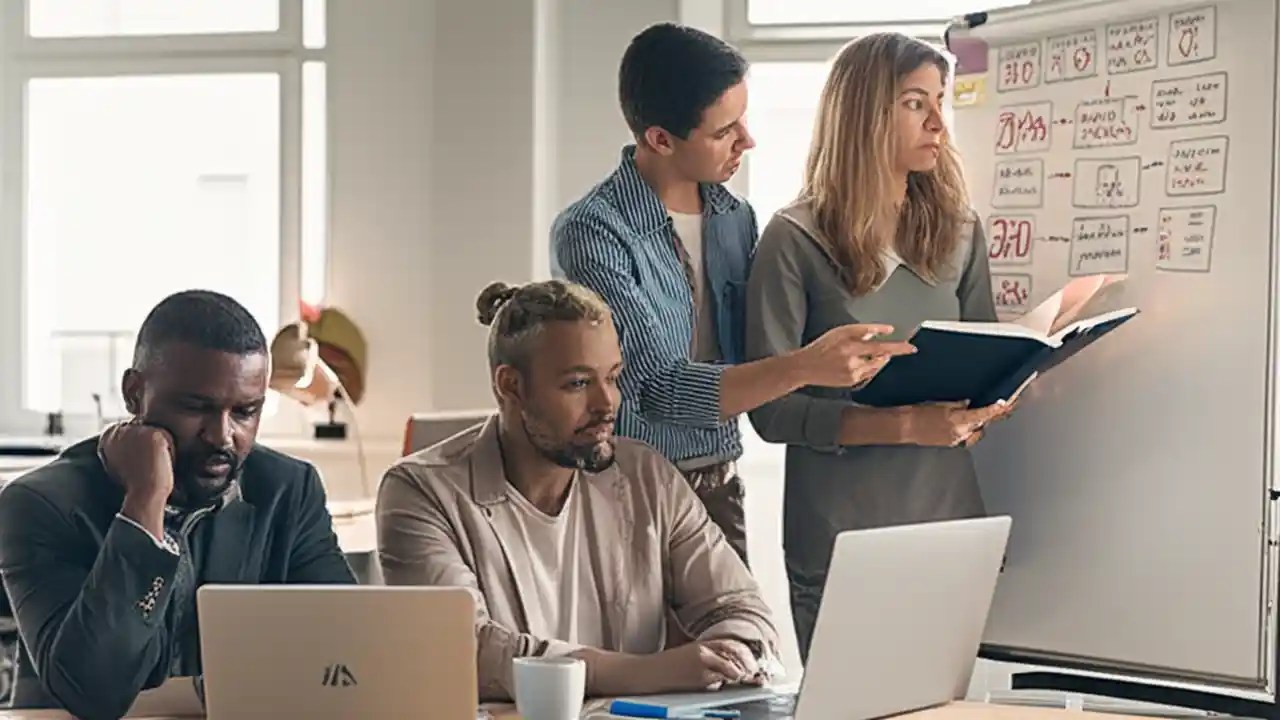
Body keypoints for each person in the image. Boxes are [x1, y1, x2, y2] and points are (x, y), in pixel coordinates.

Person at [551, 22, 913, 565]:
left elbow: (759, 348)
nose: (748, 139)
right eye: (725, 131)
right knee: (644, 649)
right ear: (660, 139)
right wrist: (806, 366)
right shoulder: (592, 232)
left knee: (736, 646)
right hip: (622, 491)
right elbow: (658, 390)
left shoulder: (736, 218)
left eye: (743, 118)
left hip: (718, 487)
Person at [744, 33, 1022, 660]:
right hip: (843, 535)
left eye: (941, 103)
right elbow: (770, 412)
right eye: (915, 103)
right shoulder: (793, 239)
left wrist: (1004, 388)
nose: (938, 125)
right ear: (866, 111)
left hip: (949, 523)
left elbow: (987, 355)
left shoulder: (959, 231)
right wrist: (903, 425)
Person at [377, 280, 782, 702]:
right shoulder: (420, 492)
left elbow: (741, 608)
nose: (607, 404)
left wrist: (732, 651)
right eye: (577, 383)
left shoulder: (648, 477)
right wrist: (651, 672)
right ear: (511, 385)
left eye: (613, 377)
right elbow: (464, 651)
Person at [0, 290, 356, 719]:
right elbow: (92, 693)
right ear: (134, 393)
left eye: (246, 411)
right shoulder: (41, 504)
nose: (223, 435)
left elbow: (344, 653)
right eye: (196, 407)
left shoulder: (287, 490)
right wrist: (146, 502)